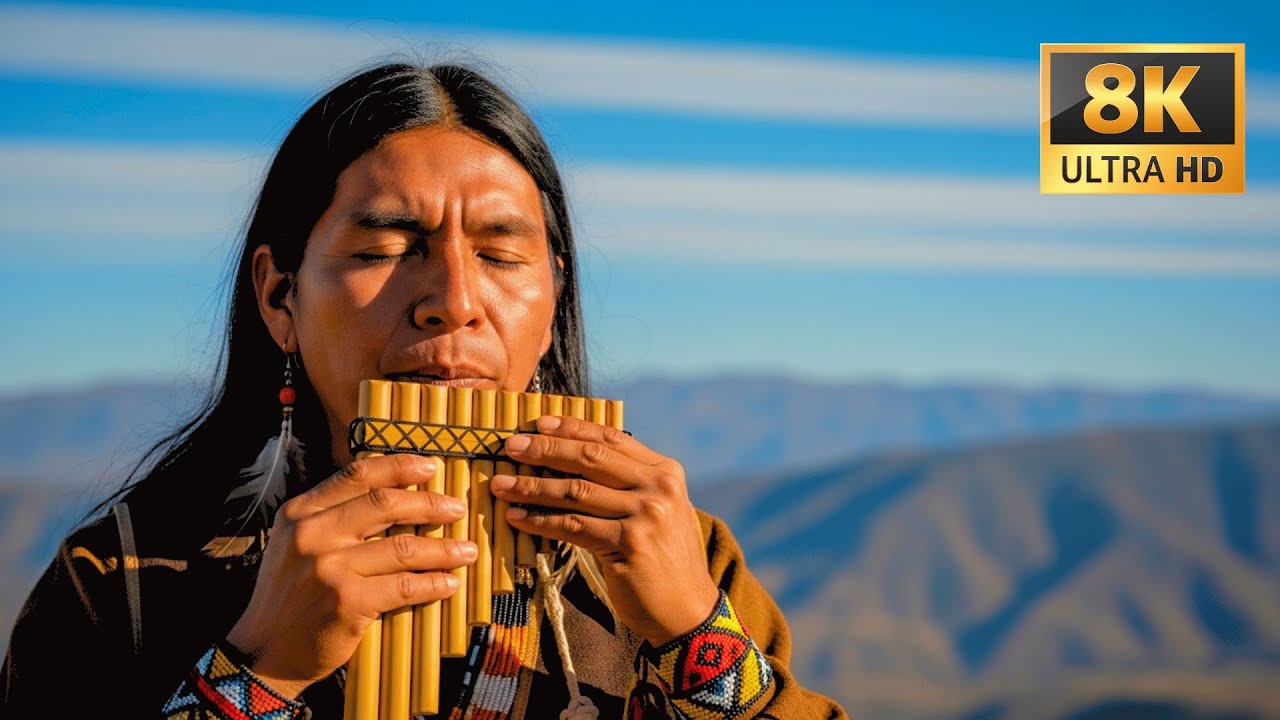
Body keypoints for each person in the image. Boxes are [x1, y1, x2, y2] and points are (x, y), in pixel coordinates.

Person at [1, 62, 847, 719]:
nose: (454, 298)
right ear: (279, 297)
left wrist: (697, 636)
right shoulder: (126, 582)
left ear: (552, 307)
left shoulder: (675, 556)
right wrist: (257, 673)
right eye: (383, 249)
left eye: (502, 255)